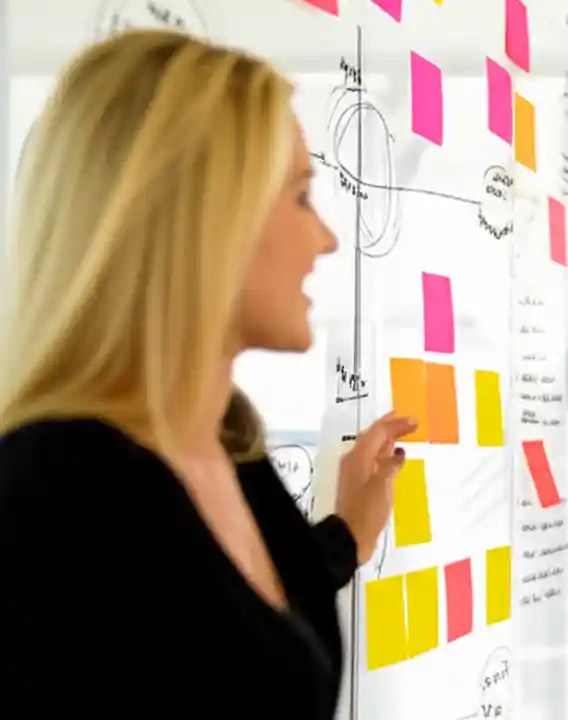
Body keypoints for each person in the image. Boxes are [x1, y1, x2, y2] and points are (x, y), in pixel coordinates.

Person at [0, 30, 416, 716]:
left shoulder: (229, 449)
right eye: (302, 197)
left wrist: (347, 535)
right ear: (202, 216)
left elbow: (227, 628)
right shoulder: (52, 490)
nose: (328, 239)